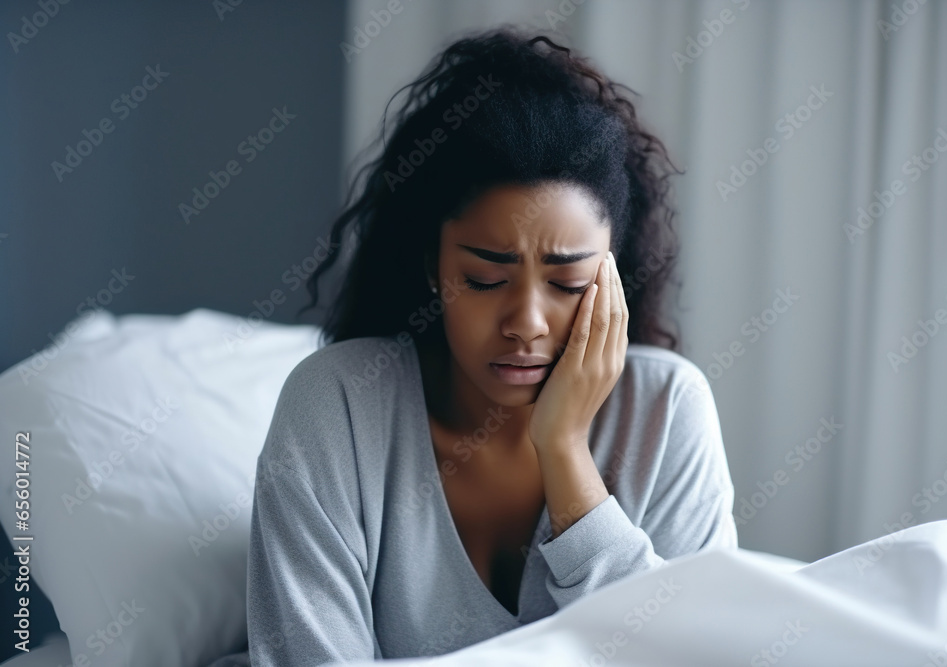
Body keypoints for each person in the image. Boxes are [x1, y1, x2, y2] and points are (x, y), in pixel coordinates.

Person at [234, 24, 737, 666]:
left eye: (568, 282)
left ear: (612, 277)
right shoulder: (338, 406)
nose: (527, 321)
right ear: (431, 266)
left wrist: (565, 454)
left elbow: (690, 657)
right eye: (484, 279)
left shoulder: (666, 411)